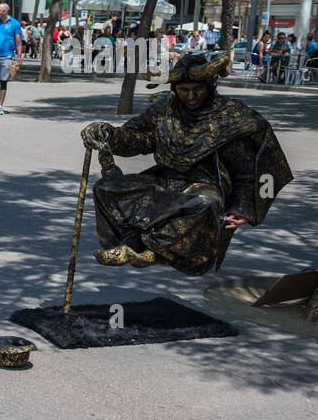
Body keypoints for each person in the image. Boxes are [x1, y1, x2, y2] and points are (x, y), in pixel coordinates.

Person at [81, 52, 291, 273]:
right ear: (174, 89)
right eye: (184, 90)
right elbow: (138, 138)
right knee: (106, 189)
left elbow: (246, 169)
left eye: (197, 89)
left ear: (211, 85)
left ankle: (154, 250)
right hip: (164, 177)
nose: (191, 96)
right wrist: (109, 135)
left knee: (203, 204)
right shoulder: (165, 109)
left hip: (205, 183)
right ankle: (130, 245)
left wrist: (242, 208)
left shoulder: (231, 116)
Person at [0, 3, 23, 114]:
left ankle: (0, 106)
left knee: (3, 82)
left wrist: (19, 56)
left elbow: (18, 41)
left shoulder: (15, 23)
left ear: (5, 11)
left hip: (7, 57)